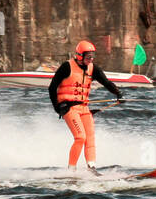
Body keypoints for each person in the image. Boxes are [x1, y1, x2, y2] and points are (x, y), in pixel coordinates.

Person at [48, 39, 124, 174]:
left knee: (90, 137)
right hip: (69, 108)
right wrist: (57, 107)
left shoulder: (93, 68)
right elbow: (52, 87)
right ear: (79, 56)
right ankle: (71, 170)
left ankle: (91, 167)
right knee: (80, 137)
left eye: (92, 57)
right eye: (88, 57)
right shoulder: (67, 67)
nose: (91, 59)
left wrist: (118, 94)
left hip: (84, 108)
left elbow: (106, 82)